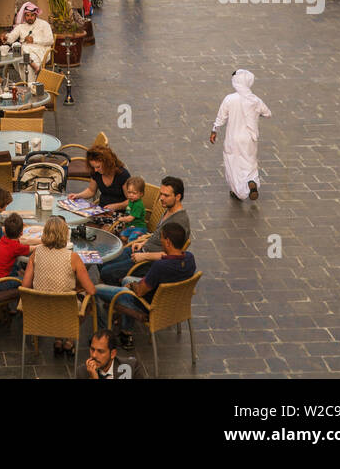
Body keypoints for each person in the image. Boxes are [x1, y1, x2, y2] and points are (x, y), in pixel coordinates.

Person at [97, 223, 196, 347]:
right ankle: (126, 331)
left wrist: (132, 285)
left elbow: (139, 292)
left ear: (168, 242)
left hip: (148, 306)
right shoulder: (189, 259)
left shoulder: (161, 266)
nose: (160, 240)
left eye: (162, 238)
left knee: (96, 289)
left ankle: (103, 336)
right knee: (126, 279)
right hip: (172, 305)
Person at [21, 216, 96, 355]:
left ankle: (58, 339)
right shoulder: (72, 257)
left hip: (39, 308)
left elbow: (25, 285)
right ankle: (69, 339)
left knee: (55, 295)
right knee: (88, 301)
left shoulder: (36, 253)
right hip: (66, 309)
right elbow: (91, 290)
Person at [96, 177, 189, 286]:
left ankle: (118, 296)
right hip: (141, 249)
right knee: (101, 259)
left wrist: (145, 256)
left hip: (148, 262)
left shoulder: (179, 222)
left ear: (178, 197)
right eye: (161, 194)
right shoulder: (169, 210)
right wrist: (143, 242)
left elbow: (172, 255)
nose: (161, 198)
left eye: (166, 195)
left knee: (107, 272)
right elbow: (158, 236)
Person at [210, 68, 272, 201]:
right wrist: (255, 113)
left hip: (233, 138)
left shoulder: (230, 99)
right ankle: (251, 181)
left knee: (233, 162)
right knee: (250, 162)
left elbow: (221, 117)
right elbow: (267, 113)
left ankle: (237, 191)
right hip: (249, 138)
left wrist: (214, 130)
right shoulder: (255, 100)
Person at [0, 211, 32, 295]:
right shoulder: (15, 247)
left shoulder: (2, 240)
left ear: (5, 230)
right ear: (21, 233)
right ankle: (24, 304)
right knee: (29, 280)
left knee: (16, 266)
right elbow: (33, 248)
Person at [5, 1, 54, 82]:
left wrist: (34, 40)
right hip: (23, 52)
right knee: (16, 47)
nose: (30, 18)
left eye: (32, 15)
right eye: (27, 15)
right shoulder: (21, 26)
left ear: (36, 15)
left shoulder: (44, 24)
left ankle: (29, 86)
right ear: (24, 16)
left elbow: (50, 40)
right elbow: (11, 38)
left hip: (40, 51)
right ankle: (31, 80)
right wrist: (6, 37)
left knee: (26, 66)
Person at [74, 145, 131, 213]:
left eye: (98, 167)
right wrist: (77, 195)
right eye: (93, 167)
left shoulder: (122, 175)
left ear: (107, 163)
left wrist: (116, 206)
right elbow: (91, 190)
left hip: (120, 213)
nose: (95, 170)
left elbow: (131, 200)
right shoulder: (96, 172)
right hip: (102, 210)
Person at [113, 176, 148, 242]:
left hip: (139, 227)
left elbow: (130, 218)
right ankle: (133, 242)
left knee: (131, 239)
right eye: (129, 192)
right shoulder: (131, 201)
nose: (131, 195)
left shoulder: (138, 205)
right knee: (122, 236)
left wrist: (121, 219)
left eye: (134, 193)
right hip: (131, 226)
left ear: (141, 194)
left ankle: (136, 243)